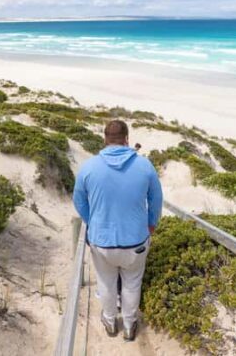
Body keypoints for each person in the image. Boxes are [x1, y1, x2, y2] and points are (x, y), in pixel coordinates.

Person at [73, 120, 163, 342]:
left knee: (105, 283)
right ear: (127, 139)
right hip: (136, 241)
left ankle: (110, 320)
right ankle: (130, 325)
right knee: (133, 284)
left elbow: (78, 201)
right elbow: (156, 201)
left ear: (104, 139)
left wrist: (91, 222)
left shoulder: (88, 167)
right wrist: (151, 225)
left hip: (101, 241)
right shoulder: (145, 166)